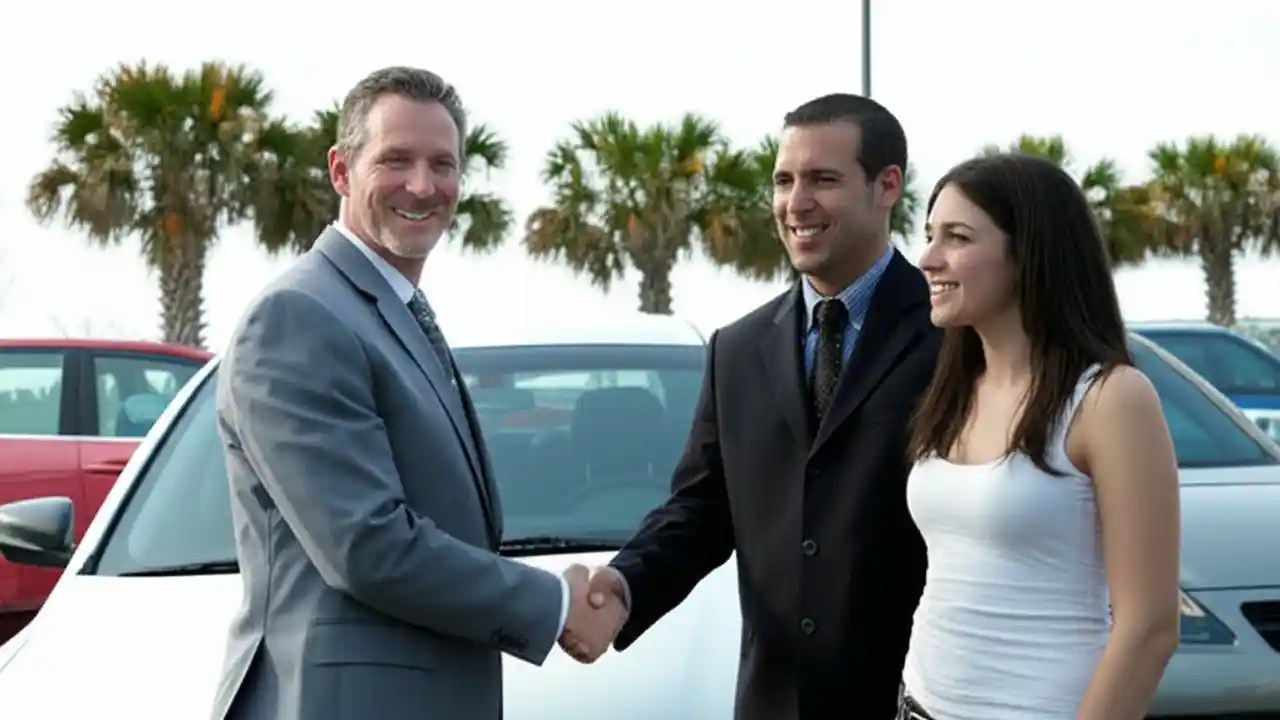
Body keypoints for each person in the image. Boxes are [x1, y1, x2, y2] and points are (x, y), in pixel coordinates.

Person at [210, 66, 621, 720]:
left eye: (443, 164)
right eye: (395, 160)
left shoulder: (386, 311)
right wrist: (555, 605)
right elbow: (367, 545)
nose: (423, 186)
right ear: (341, 171)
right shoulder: (299, 317)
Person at [572, 93, 942, 719]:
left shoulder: (952, 338)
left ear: (887, 186)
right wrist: (625, 584)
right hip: (774, 703)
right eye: (783, 180)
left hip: (915, 701)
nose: (796, 203)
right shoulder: (736, 350)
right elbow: (702, 507)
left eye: (823, 179)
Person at [897, 153, 1181, 719]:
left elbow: (1150, 626)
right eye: (929, 235)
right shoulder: (955, 391)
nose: (928, 258)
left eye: (957, 237)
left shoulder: (1110, 399)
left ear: (1029, 254)